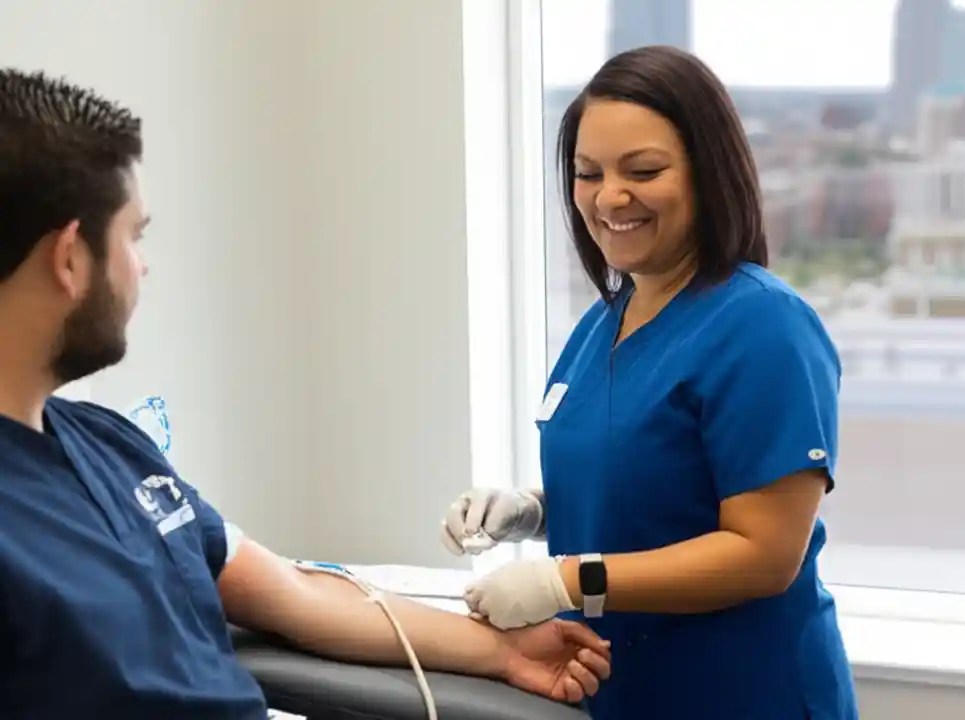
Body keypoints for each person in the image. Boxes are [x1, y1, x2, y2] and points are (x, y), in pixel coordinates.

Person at [0, 67, 611, 718]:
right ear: (69, 258)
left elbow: (292, 592)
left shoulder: (108, 446)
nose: (141, 266)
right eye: (134, 236)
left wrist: (503, 652)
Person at [441, 46, 858, 720]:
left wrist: (566, 579)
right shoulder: (603, 324)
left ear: (708, 172)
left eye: (643, 171)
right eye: (587, 173)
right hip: (622, 690)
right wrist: (530, 511)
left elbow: (763, 553)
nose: (610, 197)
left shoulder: (764, 327)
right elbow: (655, 483)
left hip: (745, 695)